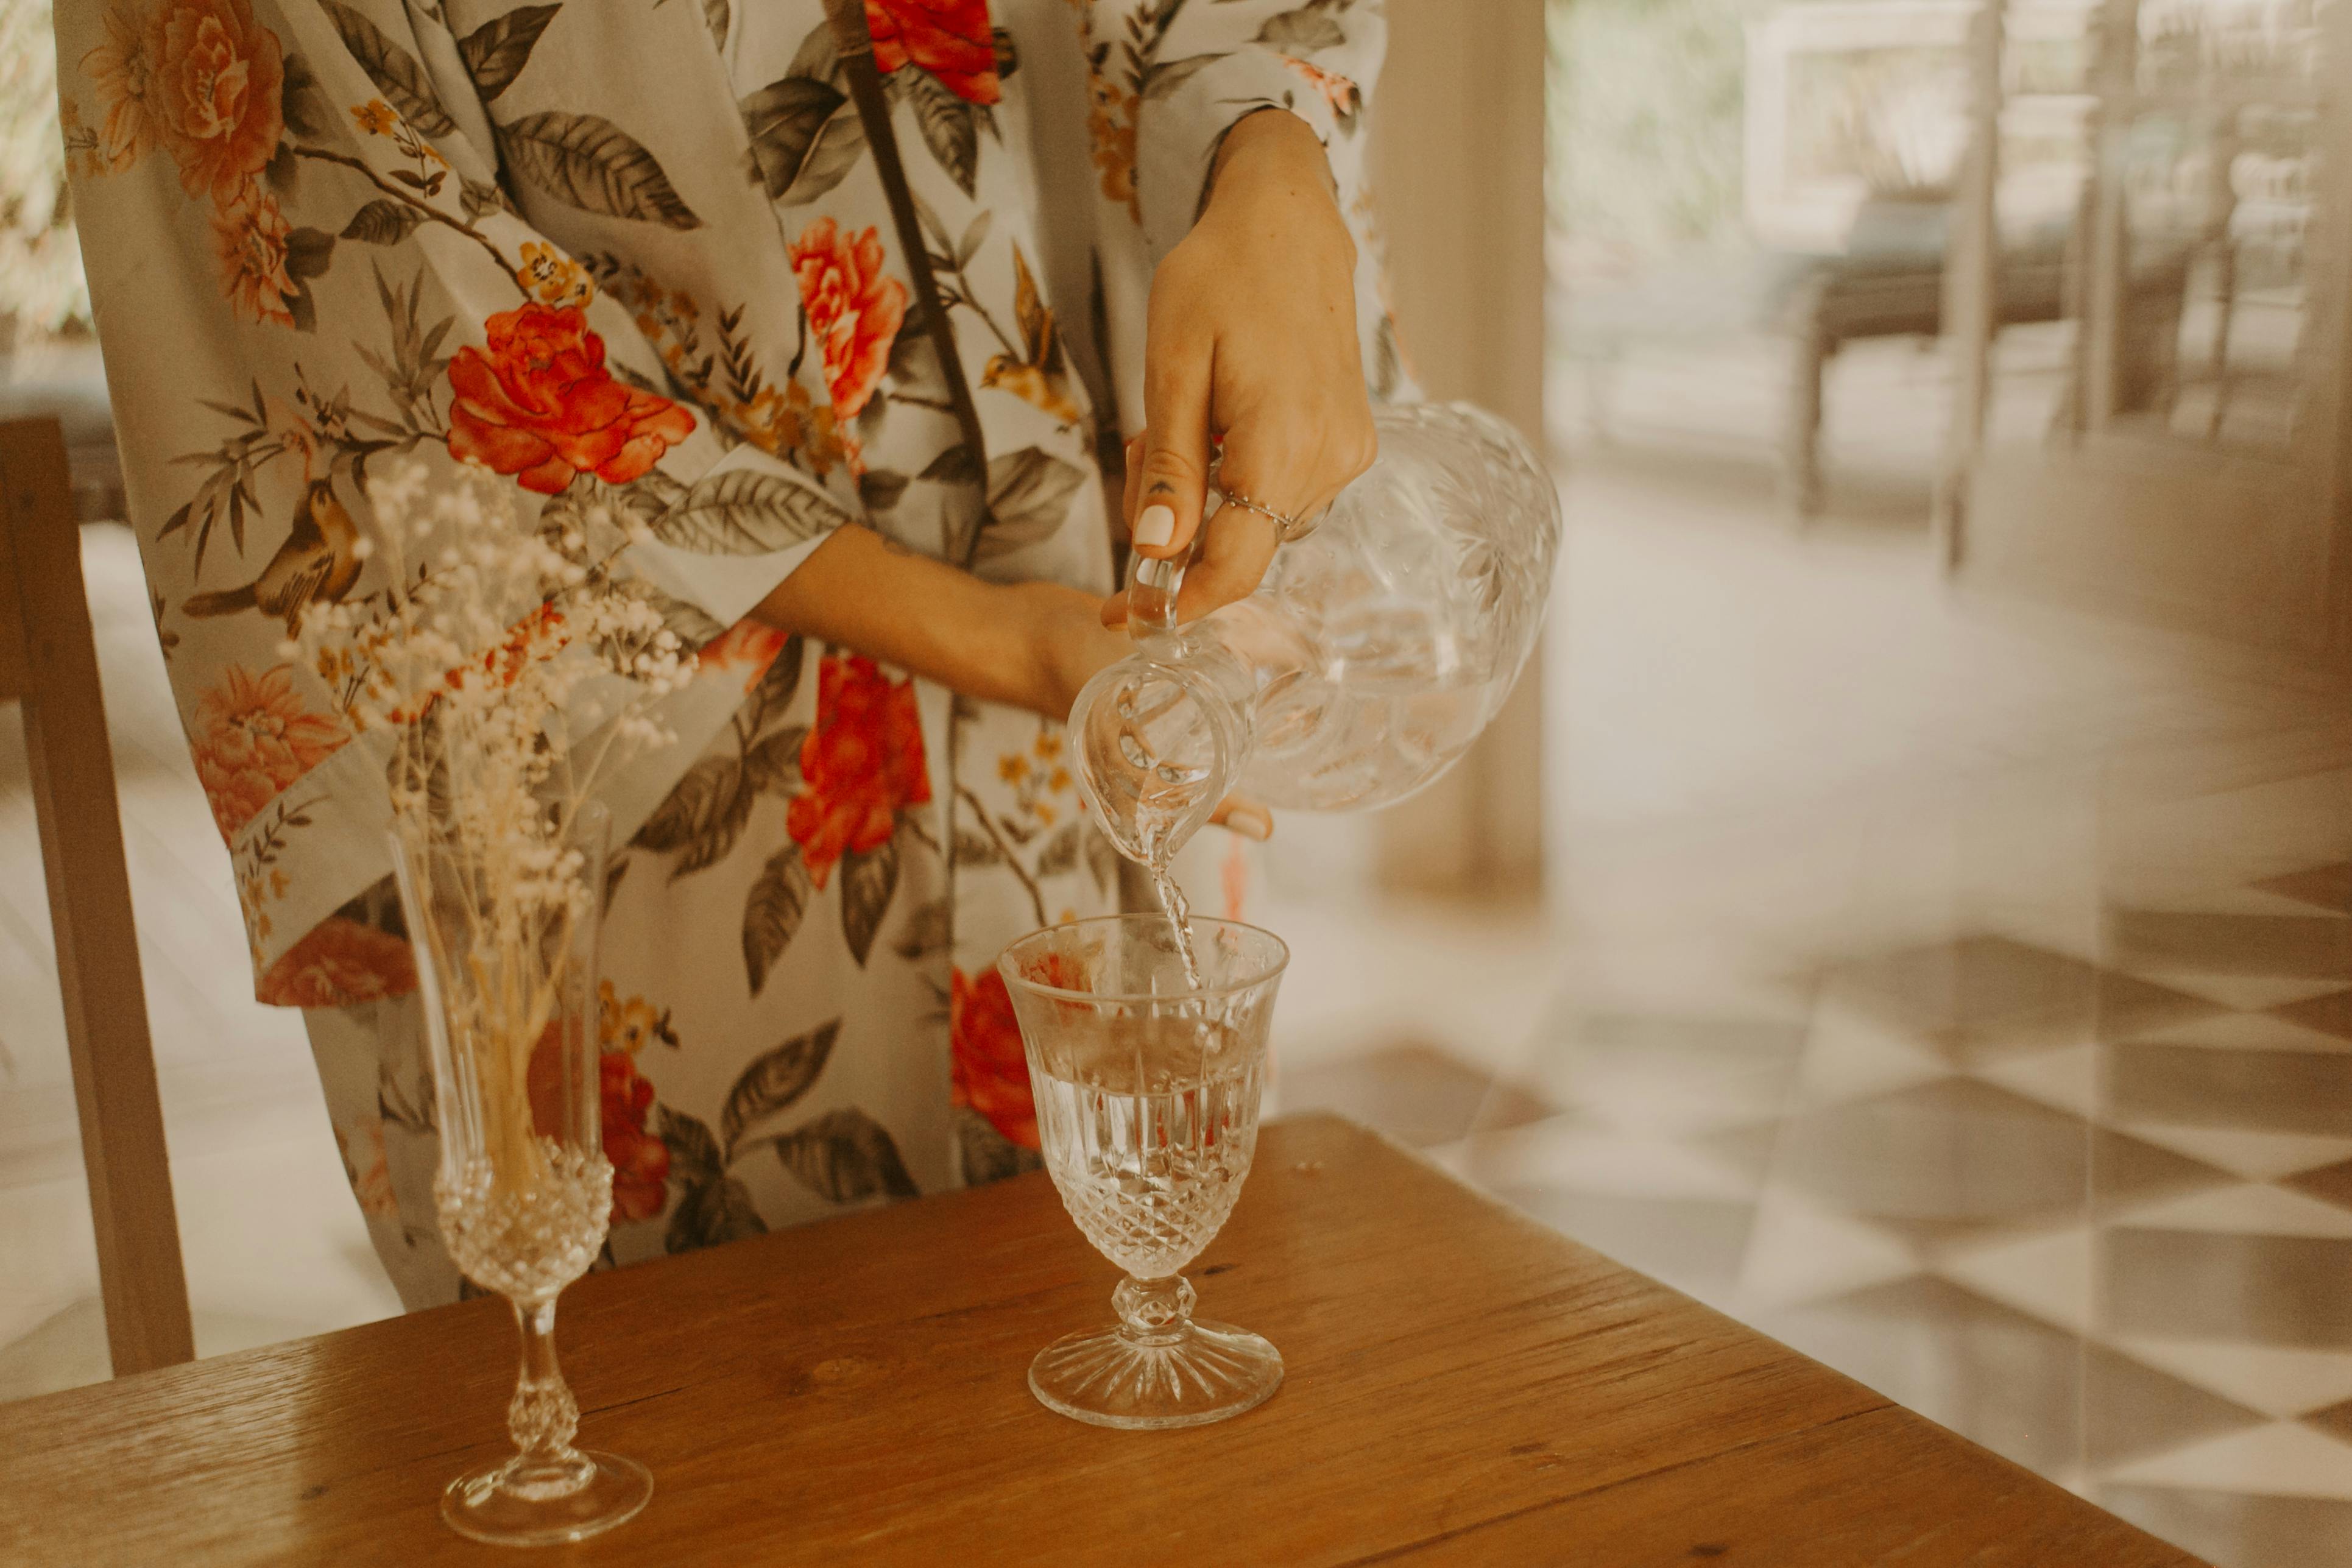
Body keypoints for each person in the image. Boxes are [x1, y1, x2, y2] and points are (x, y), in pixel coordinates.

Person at [57, 0, 1400, 1307]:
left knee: (1125, 1421)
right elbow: (371, 303)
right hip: (666, 796)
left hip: (1101, 682)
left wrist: (1268, 150)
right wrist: (1005, 642)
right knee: (710, 1441)